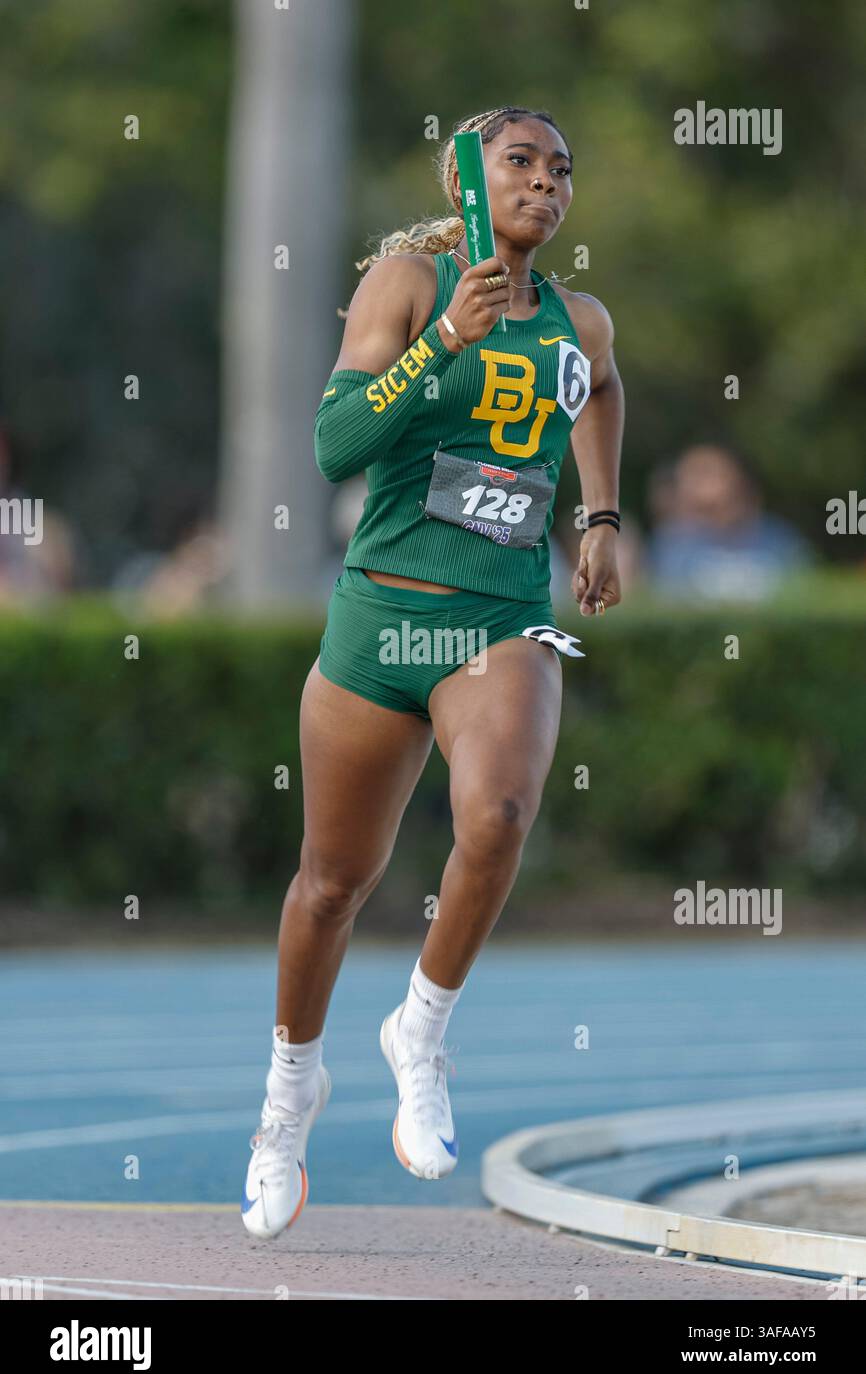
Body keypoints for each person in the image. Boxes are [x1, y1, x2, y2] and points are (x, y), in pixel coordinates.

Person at [241, 105, 625, 1238]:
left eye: (562, 169)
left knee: (500, 811)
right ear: (465, 172)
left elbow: (599, 385)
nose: (546, 184)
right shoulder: (409, 283)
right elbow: (334, 445)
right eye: (521, 162)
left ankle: (420, 1025)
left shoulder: (579, 319)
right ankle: (286, 1101)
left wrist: (598, 511)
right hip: (380, 619)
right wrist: (443, 342)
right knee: (330, 884)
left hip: (498, 617)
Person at [647, 444, 809, 600]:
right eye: (685, 479)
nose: (689, 487)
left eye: (702, 475)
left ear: (738, 479)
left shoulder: (780, 542)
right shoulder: (674, 546)